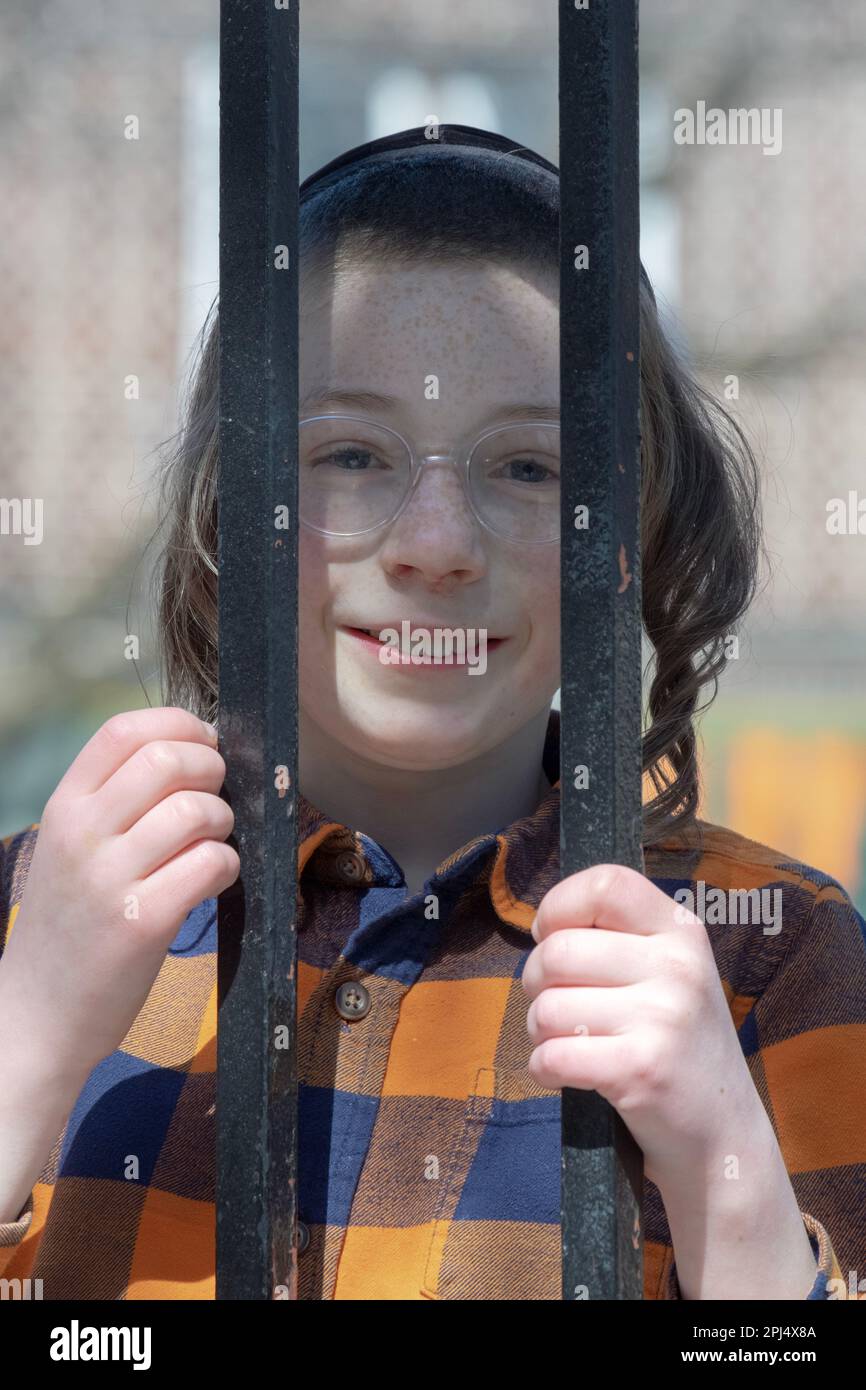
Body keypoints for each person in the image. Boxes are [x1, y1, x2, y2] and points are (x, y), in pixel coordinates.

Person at [0, 126, 864, 1301]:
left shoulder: (767, 955)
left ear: (629, 532)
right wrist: (29, 1047)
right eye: (351, 453)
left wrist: (726, 1180)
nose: (437, 547)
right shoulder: (37, 920)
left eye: (528, 468)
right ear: (228, 502)